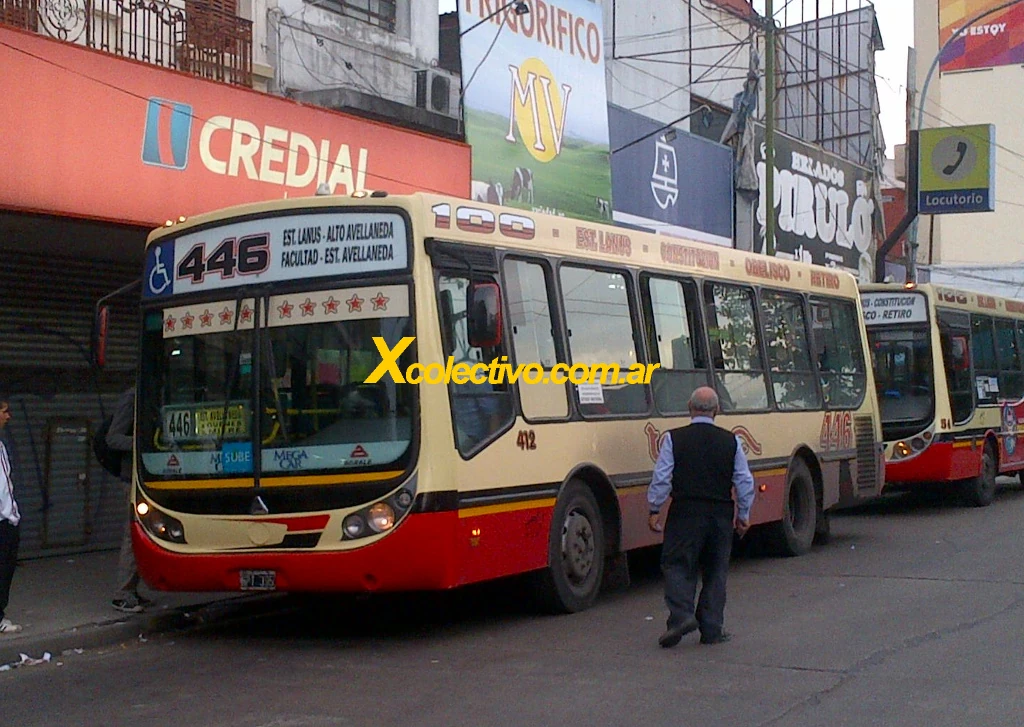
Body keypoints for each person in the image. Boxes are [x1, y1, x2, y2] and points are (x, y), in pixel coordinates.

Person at [647, 386, 754, 648]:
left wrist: (654, 508)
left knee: (677, 565)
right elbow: (743, 480)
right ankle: (711, 629)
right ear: (717, 410)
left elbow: (662, 477)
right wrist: (744, 514)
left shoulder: (674, 439)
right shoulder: (731, 441)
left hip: (685, 512)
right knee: (716, 571)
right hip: (720, 514)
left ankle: (682, 616)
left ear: (689, 408)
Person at [107, 387, 149, 614]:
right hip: (132, 478)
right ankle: (122, 593)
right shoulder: (132, 397)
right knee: (132, 534)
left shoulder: (151, 393)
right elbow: (113, 438)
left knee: (142, 533)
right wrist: (142, 444)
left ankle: (131, 590)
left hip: (147, 475)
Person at [0, 399, 23, 634]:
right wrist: (12, 516)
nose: (8, 417)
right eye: (4, 411)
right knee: (3, 569)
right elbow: (3, 489)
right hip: (3, 521)